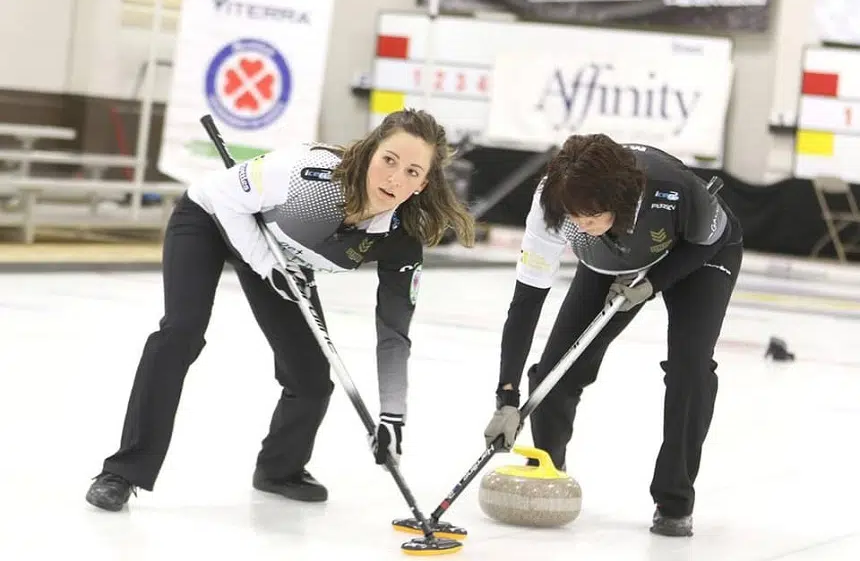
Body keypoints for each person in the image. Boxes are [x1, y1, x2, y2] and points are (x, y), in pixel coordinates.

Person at [85, 108, 476, 512]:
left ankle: (279, 469)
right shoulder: (307, 174)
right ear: (370, 151)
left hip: (281, 253)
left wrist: (393, 416)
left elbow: (394, 332)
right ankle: (123, 471)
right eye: (389, 160)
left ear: (423, 183)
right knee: (181, 332)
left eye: (412, 171)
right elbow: (223, 199)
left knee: (310, 375)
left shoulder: (400, 240)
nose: (394, 179)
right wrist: (266, 264)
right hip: (211, 219)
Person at [482, 134, 743, 537]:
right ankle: (550, 469)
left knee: (689, 370)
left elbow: (713, 239)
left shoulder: (673, 189)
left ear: (619, 202)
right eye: (573, 217)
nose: (579, 226)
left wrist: (653, 283)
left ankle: (674, 500)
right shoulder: (551, 204)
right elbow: (526, 303)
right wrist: (507, 395)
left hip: (700, 256)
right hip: (615, 257)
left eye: (589, 217)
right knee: (556, 370)